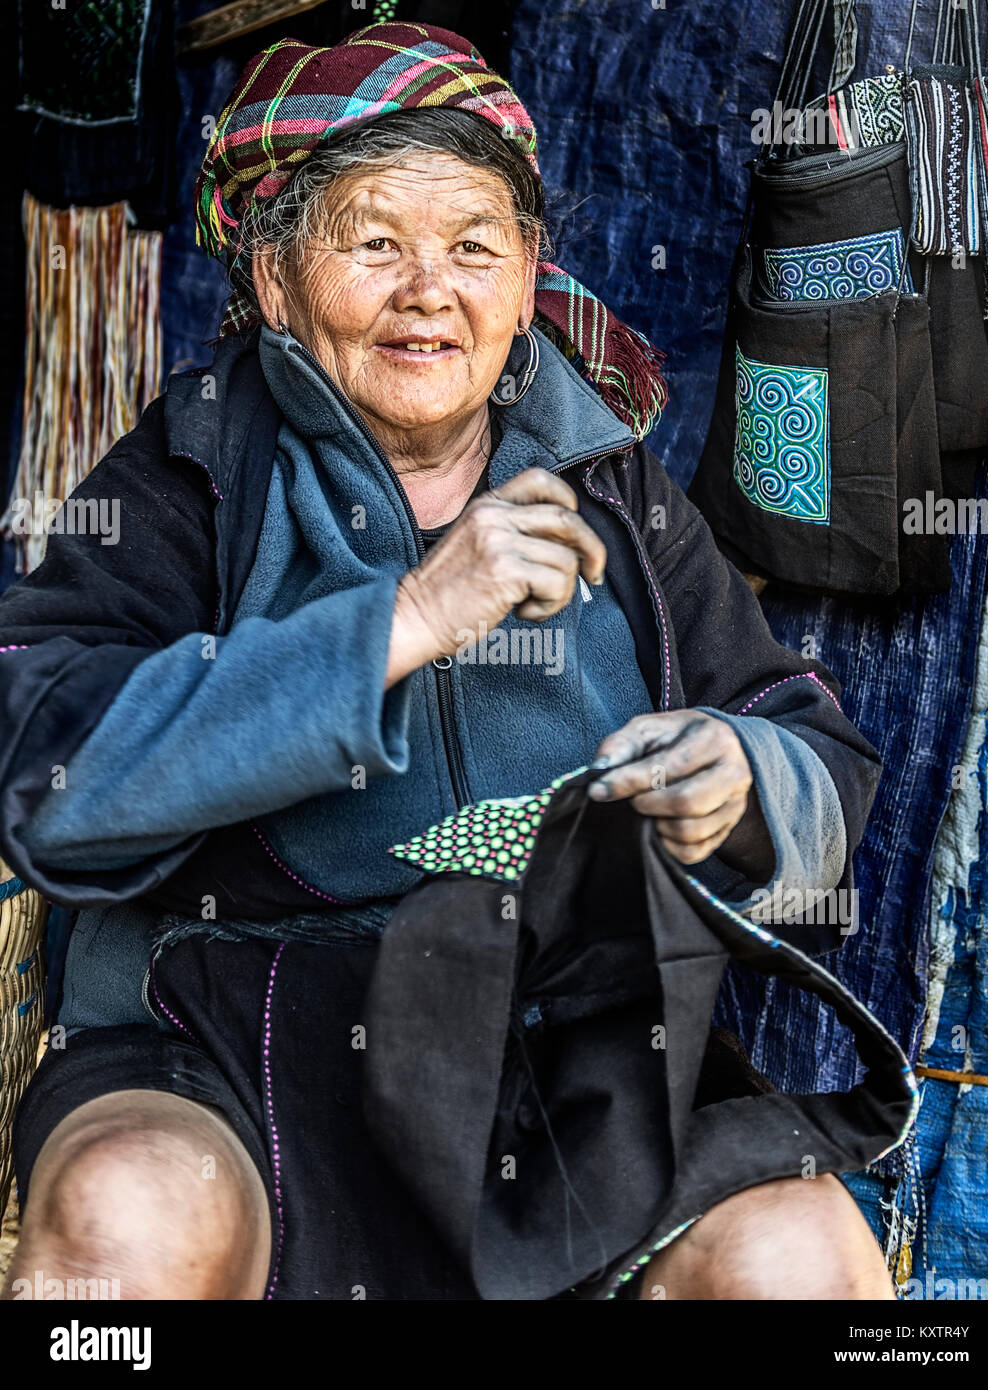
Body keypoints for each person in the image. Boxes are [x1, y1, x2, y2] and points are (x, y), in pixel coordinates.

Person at [0, 22, 891, 1300]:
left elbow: (808, 740)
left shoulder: (610, 485)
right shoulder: (191, 477)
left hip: (560, 1046)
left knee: (798, 1259)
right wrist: (405, 620)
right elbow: (44, 765)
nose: (430, 289)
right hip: (228, 1023)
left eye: (474, 245)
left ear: (527, 274)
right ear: (272, 275)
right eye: (374, 242)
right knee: (118, 1231)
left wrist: (740, 777)